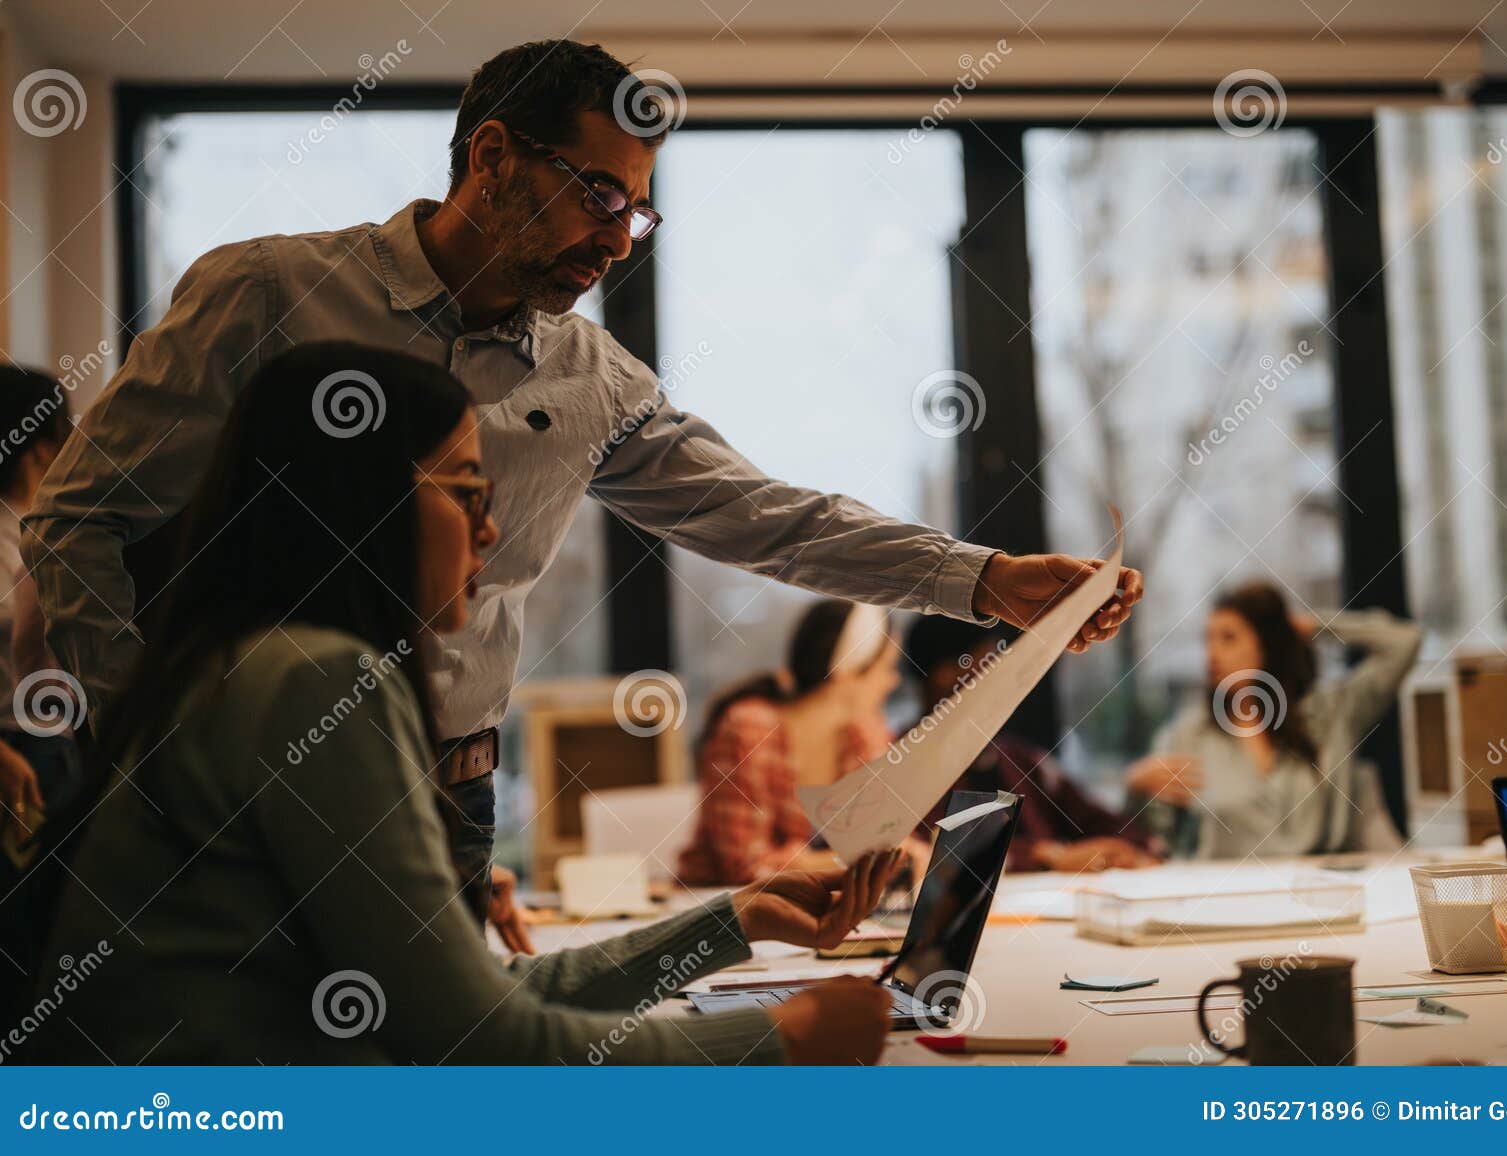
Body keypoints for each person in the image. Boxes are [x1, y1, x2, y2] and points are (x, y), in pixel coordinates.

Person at [22, 38, 1141, 934]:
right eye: (596, 196)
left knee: (447, 1083)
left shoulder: (590, 377)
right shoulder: (265, 294)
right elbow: (80, 519)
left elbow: (766, 517)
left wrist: (985, 580)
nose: (617, 242)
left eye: (637, 213)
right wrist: (147, 752)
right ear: (493, 157)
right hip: (242, 788)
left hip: (449, 797)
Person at [27, 342, 904, 1065]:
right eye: (467, 493)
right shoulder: (313, 681)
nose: (490, 530)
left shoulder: (237, 666)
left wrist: (735, 918)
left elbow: (468, 999)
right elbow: (477, 1038)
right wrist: (773, 1041)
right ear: (361, 500)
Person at [1124, 581, 1421, 859]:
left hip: (1316, 893)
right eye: (1208, 639)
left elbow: (1404, 641)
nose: (1212, 653)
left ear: (1266, 644)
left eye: (1228, 638)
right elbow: (1156, 840)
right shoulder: (1189, 734)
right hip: (1222, 899)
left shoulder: (1331, 714)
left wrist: (1315, 625)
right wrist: (1136, 788)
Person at [903, 615, 1157, 873]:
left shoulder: (1016, 757)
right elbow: (933, 850)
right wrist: (1048, 856)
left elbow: (1094, 818)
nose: (1003, 678)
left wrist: (1125, 848)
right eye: (990, 662)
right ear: (944, 676)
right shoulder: (903, 763)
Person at [678, 600, 901, 885]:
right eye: (886, 668)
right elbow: (745, 868)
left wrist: (907, 856)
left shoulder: (863, 733)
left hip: (818, 907)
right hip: (722, 911)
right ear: (848, 671)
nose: (892, 681)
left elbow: (884, 836)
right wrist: (861, 862)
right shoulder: (748, 729)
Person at [0, 366, 81, 1019]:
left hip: (50, 744)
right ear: (41, 447)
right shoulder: (10, 541)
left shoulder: (45, 530)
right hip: (16, 754)